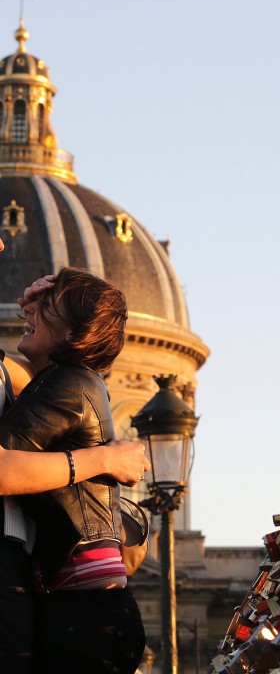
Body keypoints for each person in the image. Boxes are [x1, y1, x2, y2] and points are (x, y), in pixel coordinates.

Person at [0, 267, 147, 674]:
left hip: (81, 611)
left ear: (71, 333)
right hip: (87, 604)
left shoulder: (67, 384)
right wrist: (34, 313)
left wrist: (100, 460)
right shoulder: (71, 381)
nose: (29, 312)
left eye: (48, 307)